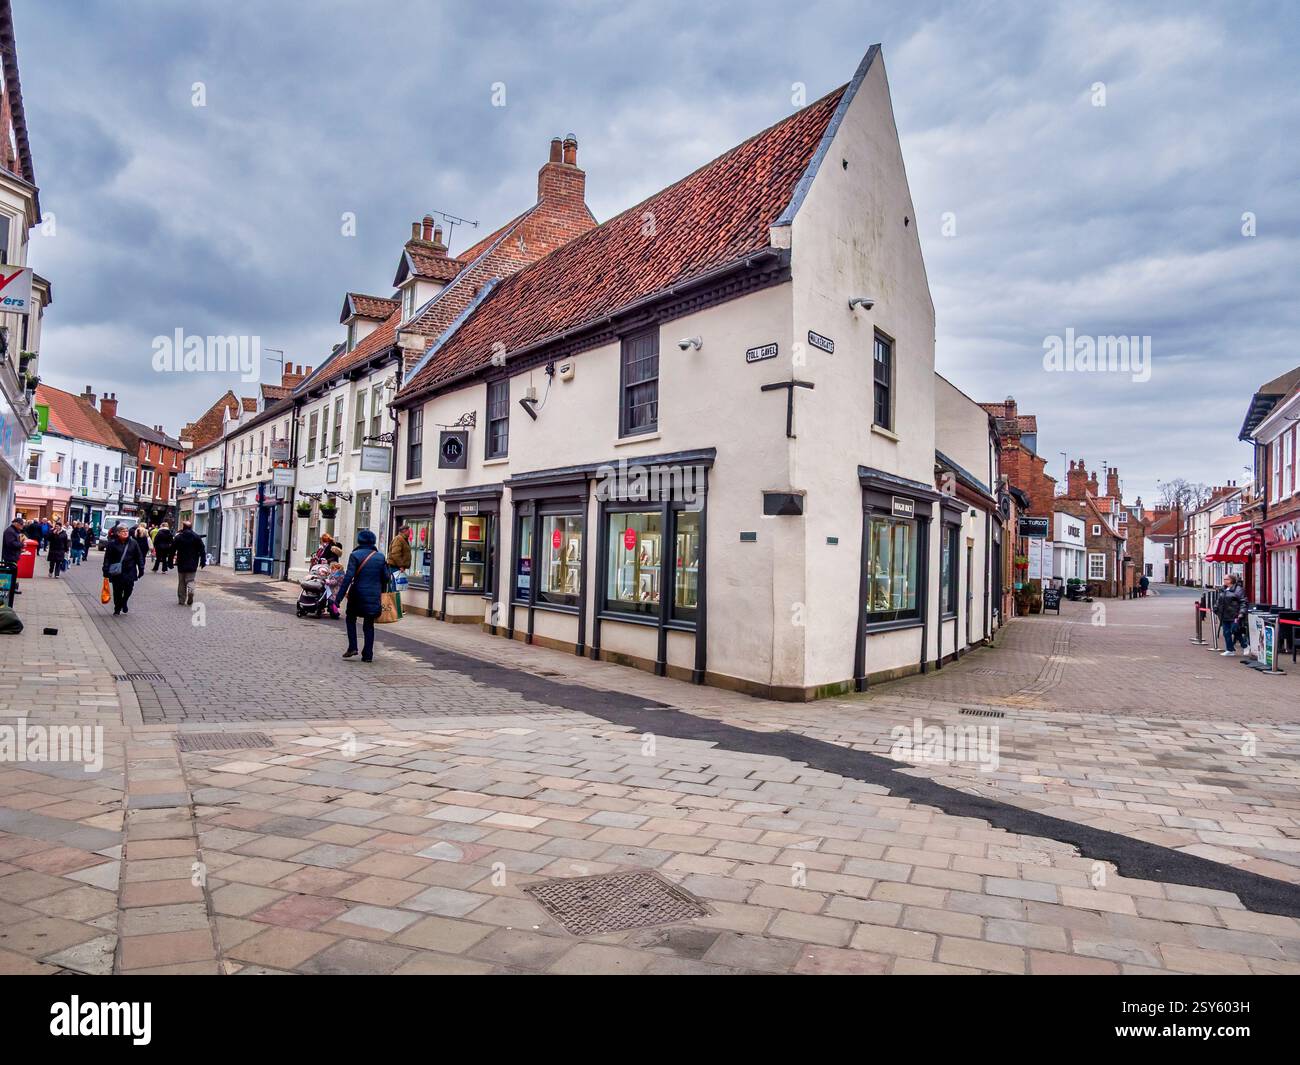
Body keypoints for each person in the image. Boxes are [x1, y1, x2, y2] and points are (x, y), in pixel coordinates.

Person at [335, 529, 389, 663]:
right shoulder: (380, 557)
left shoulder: (355, 555)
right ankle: (368, 654)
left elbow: (348, 577)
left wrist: (338, 598)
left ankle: (353, 646)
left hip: (357, 595)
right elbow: (386, 577)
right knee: (369, 624)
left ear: (359, 541)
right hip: (373, 596)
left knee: (350, 619)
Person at [102, 524, 144, 615]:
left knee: (129, 589)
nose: (125, 533)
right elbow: (107, 558)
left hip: (130, 570)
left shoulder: (133, 543)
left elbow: (139, 556)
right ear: (118, 533)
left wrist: (141, 568)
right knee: (117, 591)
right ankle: (117, 608)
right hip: (117, 572)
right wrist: (105, 569)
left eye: (126, 531)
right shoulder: (112, 544)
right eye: (123, 531)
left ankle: (124, 601)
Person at [172, 520, 206, 606]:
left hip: (181, 561)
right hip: (193, 561)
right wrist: (203, 560)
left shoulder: (179, 537)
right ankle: (191, 591)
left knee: (181, 581)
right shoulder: (196, 537)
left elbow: (172, 549)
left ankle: (181, 599)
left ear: (183, 526)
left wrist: (169, 561)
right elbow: (202, 549)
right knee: (190, 579)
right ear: (191, 527)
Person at [1217, 573, 1247, 656]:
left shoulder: (1238, 589)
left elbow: (1243, 602)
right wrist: (1216, 608)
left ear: (1230, 580)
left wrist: (1241, 613)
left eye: (1225, 579)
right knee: (1226, 632)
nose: (1224, 581)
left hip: (1234, 614)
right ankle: (1230, 649)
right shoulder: (1223, 589)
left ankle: (1245, 646)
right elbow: (1219, 600)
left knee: (1235, 630)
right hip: (1224, 614)